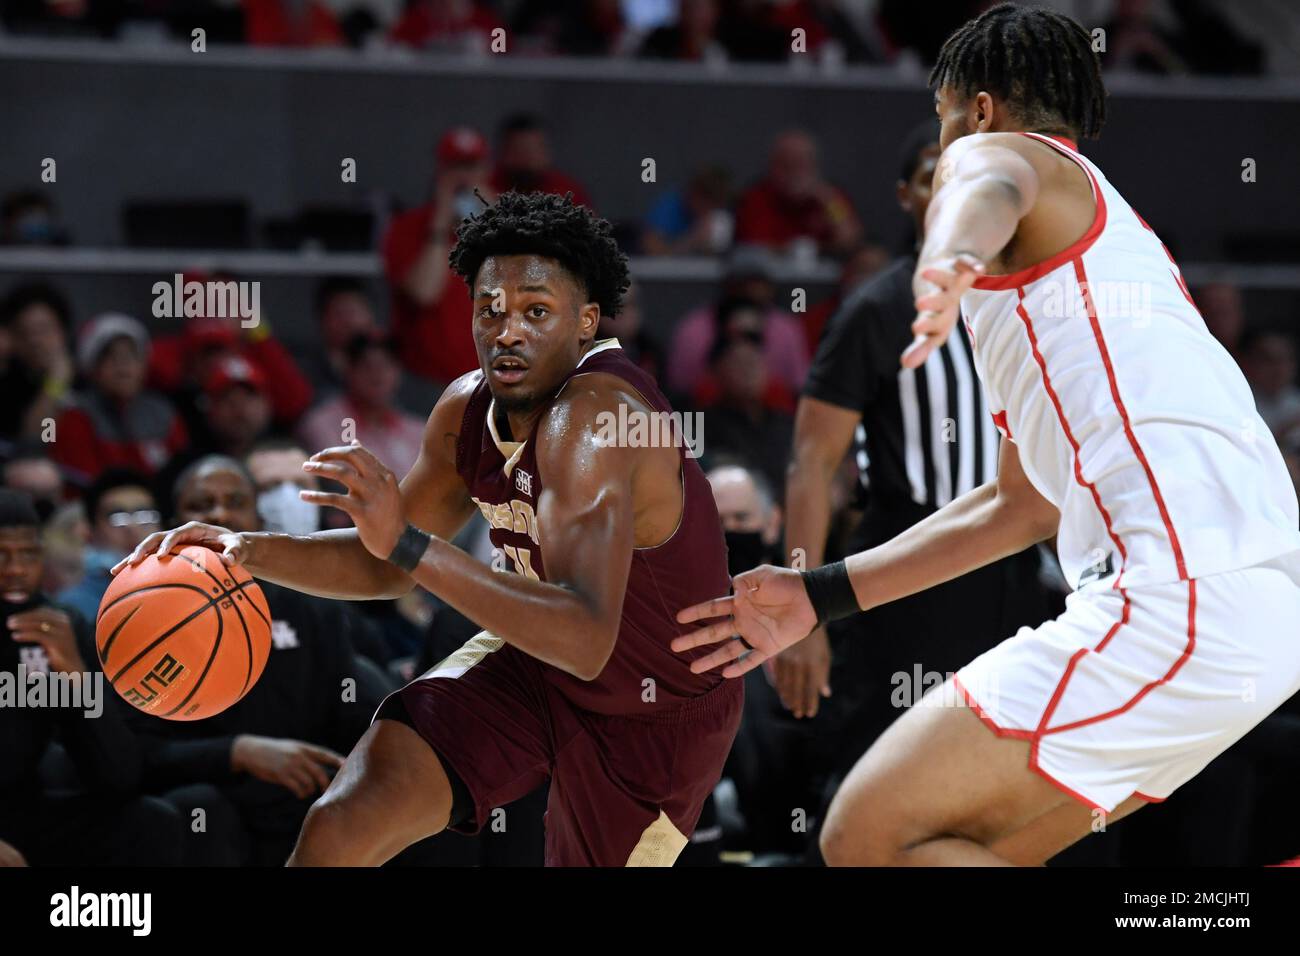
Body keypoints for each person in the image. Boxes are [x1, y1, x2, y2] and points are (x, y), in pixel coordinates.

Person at [675, 3, 1300, 867]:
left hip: (1174, 596)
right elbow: (1019, 507)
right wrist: (819, 593)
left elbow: (982, 183)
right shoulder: (1113, 253)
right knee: (963, 846)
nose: (947, 152)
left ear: (975, 110)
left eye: (943, 123)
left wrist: (948, 255)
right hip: (1259, 615)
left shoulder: (1004, 162)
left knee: (866, 836)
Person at [121, 191, 744, 867]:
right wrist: (246, 552)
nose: (507, 331)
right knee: (341, 824)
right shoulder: (464, 409)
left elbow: (586, 637)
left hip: (655, 704)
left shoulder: (596, 420)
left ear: (586, 322)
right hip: (535, 661)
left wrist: (410, 545)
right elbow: (383, 567)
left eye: (537, 312)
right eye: (489, 309)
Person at [120, 456, 388, 865]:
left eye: (235, 501)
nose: (220, 513)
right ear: (175, 521)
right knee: (202, 810)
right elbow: (133, 754)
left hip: (305, 788)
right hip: (216, 795)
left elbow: (349, 714)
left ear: (257, 516)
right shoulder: (137, 615)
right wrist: (237, 751)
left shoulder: (307, 603)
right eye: (201, 505)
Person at [0, 489, 182, 866]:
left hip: (22, 811)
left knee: (151, 823)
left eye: (28, 554)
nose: (15, 569)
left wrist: (78, 678)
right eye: (1, 555)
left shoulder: (61, 624)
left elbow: (118, 777)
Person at [382, 126, 496, 384]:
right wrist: (441, 226)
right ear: (440, 172)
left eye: (472, 167)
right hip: (426, 381)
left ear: (487, 171)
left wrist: (497, 222)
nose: (464, 179)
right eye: (455, 168)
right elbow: (425, 292)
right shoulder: (408, 227)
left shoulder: (505, 223)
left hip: (494, 381)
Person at [52, 313, 188, 487]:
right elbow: (82, 482)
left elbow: (184, 476)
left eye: (131, 355)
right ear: (92, 369)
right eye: (110, 356)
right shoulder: (76, 415)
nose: (123, 365)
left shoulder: (163, 412)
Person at [57, 468, 160, 623]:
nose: (132, 528)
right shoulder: (72, 606)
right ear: (90, 531)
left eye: (144, 515)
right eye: (117, 518)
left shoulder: (188, 586)